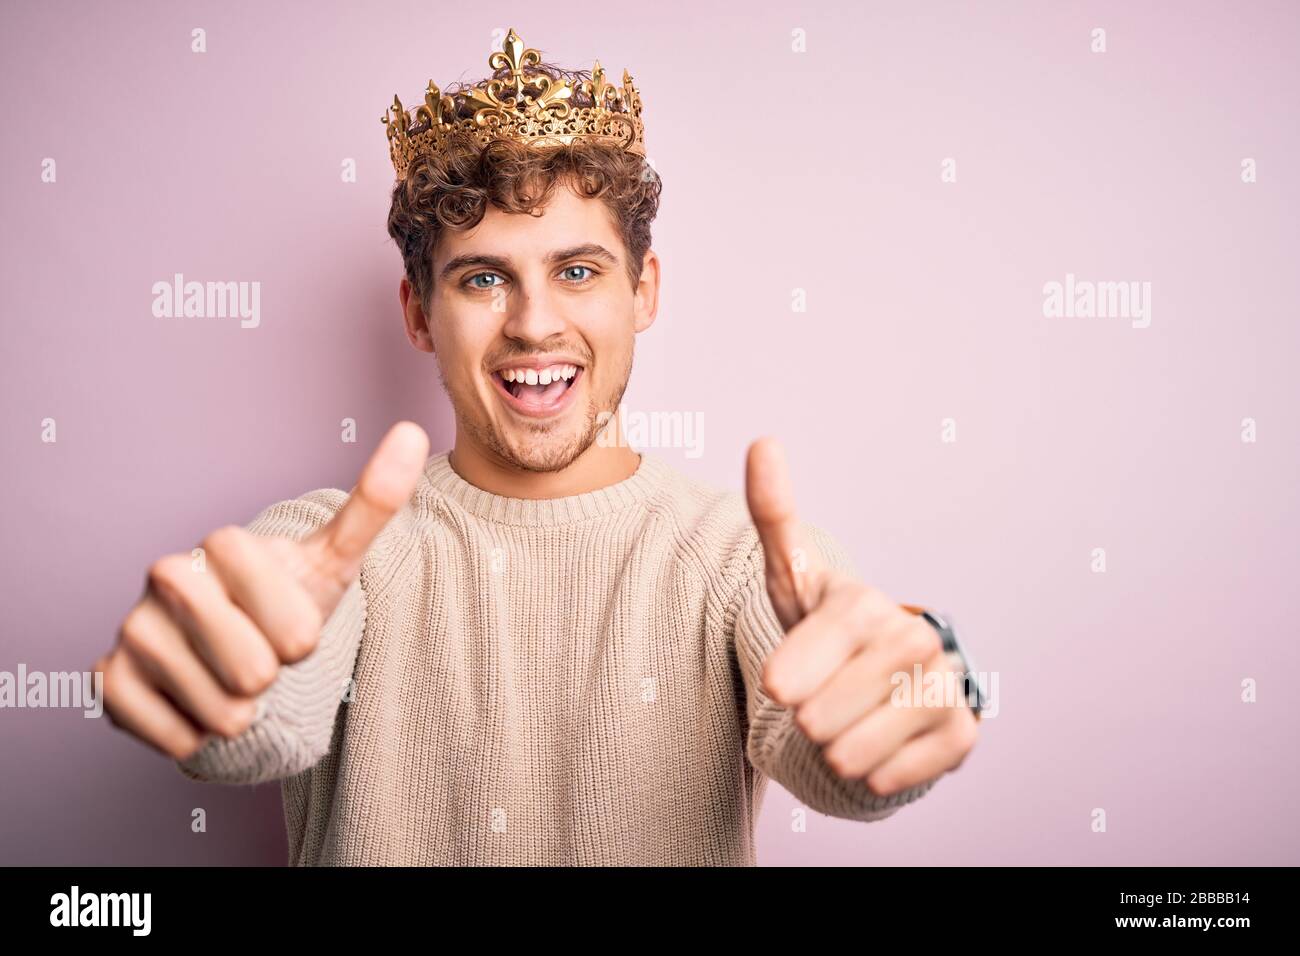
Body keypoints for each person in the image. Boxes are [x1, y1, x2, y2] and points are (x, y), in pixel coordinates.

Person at [93, 29, 980, 865]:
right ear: (417, 315)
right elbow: (263, 710)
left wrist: (911, 691)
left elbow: (840, 751)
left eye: (578, 271)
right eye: (484, 278)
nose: (535, 323)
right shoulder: (334, 551)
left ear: (643, 293)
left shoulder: (743, 558)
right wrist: (223, 684)